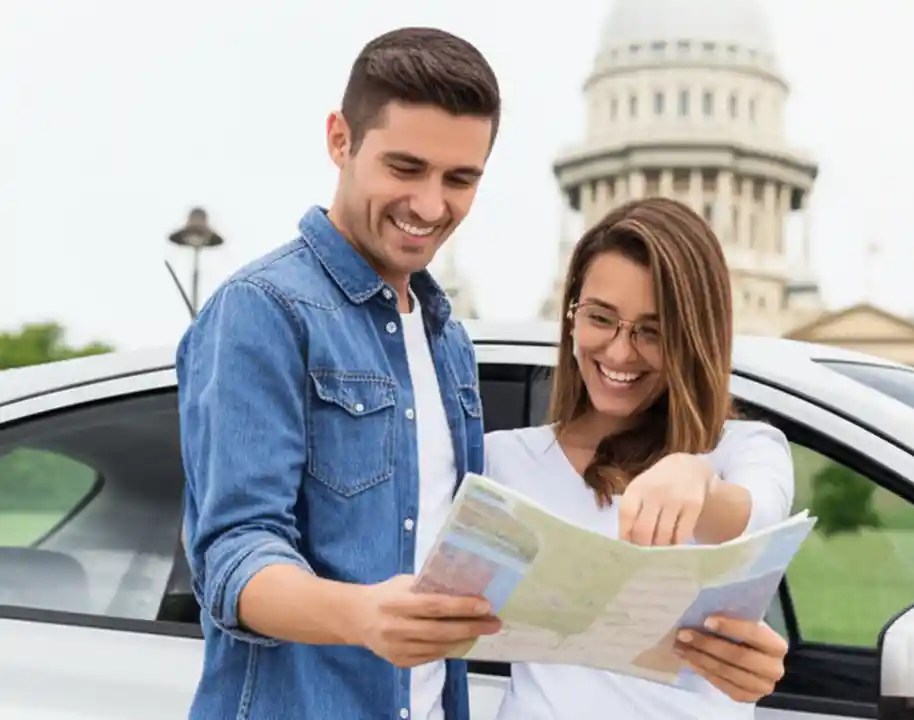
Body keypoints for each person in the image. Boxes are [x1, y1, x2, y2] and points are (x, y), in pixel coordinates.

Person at [176, 27, 502, 720]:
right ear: (340, 140)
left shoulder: (452, 345)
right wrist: (362, 615)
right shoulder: (261, 310)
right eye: (405, 167)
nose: (431, 205)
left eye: (460, 179)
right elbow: (233, 560)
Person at [483, 197, 796, 719]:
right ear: (571, 317)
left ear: (694, 337)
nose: (621, 352)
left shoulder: (745, 450)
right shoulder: (503, 461)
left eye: (652, 331)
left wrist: (696, 477)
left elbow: (753, 515)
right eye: (601, 319)